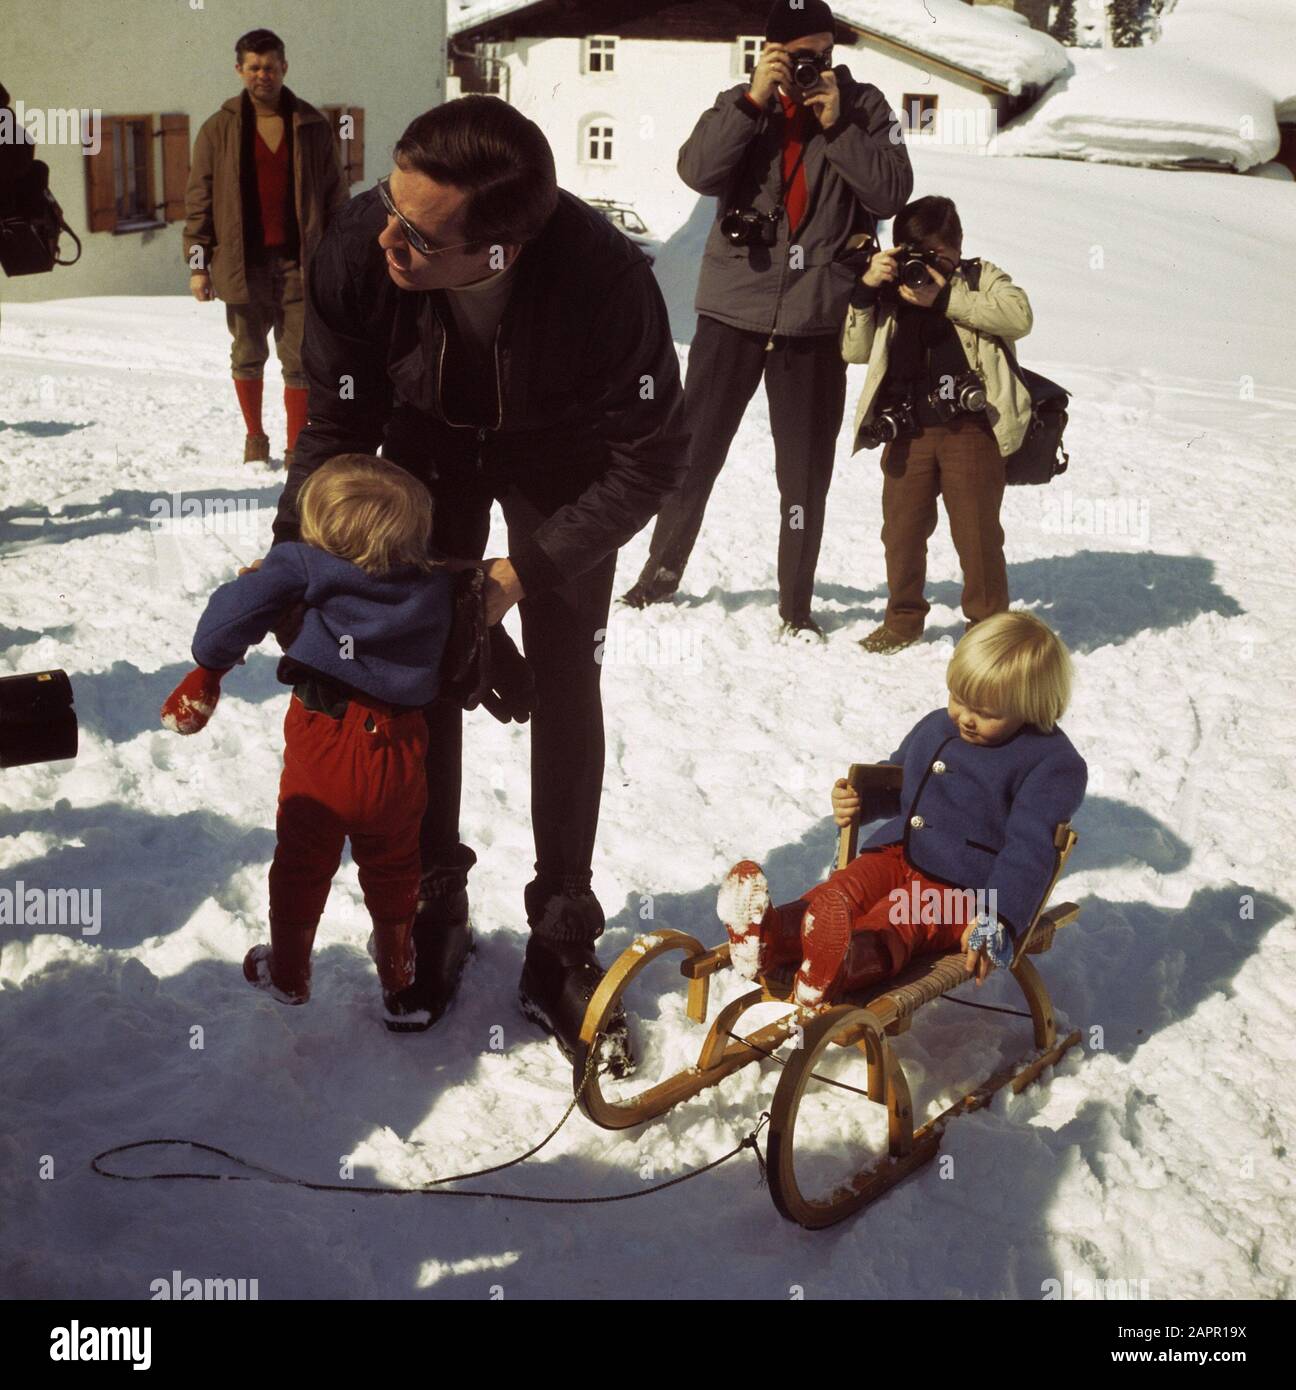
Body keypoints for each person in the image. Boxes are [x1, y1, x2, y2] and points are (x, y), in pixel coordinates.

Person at [265, 96, 688, 1069]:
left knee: (567, 674)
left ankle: (562, 932)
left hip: (568, 455)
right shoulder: (358, 253)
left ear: (498, 252)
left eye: (417, 232)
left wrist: (517, 575)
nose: (387, 237)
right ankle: (433, 899)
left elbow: (653, 461)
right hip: (427, 444)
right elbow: (332, 433)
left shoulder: (606, 283)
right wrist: (311, 564)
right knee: (425, 664)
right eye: (389, 205)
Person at [620, 0, 913, 640]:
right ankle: (658, 576)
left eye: (824, 56)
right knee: (692, 454)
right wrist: (752, 102)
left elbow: (892, 193)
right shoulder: (742, 103)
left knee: (804, 470)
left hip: (815, 318)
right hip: (734, 309)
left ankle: (796, 607)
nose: (813, 68)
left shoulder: (865, 109)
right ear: (773, 51)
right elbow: (696, 171)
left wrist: (839, 129)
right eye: (799, 56)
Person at [159, 455, 455, 1027]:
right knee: (396, 863)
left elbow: (224, 623)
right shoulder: (434, 581)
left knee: (302, 861)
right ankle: (398, 963)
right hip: (404, 749)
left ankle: (290, 971)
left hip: (327, 741)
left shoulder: (304, 563)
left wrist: (209, 666)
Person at [717, 611, 1086, 1006]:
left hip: (958, 889)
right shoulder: (937, 726)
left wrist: (999, 918)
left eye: (987, 713)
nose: (965, 717)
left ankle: (844, 963)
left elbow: (1029, 851)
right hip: (896, 853)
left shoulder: (1049, 763)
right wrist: (860, 800)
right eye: (958, 699)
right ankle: (769, 935)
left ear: (1032, 706)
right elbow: (898, 780)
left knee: (899, 916)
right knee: (842, 892)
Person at [842, 195, 1035, 654]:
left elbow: (1020, 317)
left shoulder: (979, 277)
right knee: (901, 532)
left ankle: (987, 629)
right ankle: (903, 620)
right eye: (915, 255)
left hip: (968, 428)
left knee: (977, 532)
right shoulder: (890, 288)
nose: (924, 268)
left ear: (956, 248)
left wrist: (945, 295)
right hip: (906, 427)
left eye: (937, 257)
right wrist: (866, 289)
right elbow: (853, 350)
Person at [184, 28, 347, 467]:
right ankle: (255, 439)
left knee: (299, 359)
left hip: (301, 264)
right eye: (253, 67)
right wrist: (198, 265)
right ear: (239, 70)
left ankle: (297, 447)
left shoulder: (312, 126)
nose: (263, 75)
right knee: (248, 353)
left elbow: (336, 197)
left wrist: (339, 263)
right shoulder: (217, 130)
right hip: (242, 265)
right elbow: (198, 201)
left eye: (270, 66)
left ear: (284, 68)